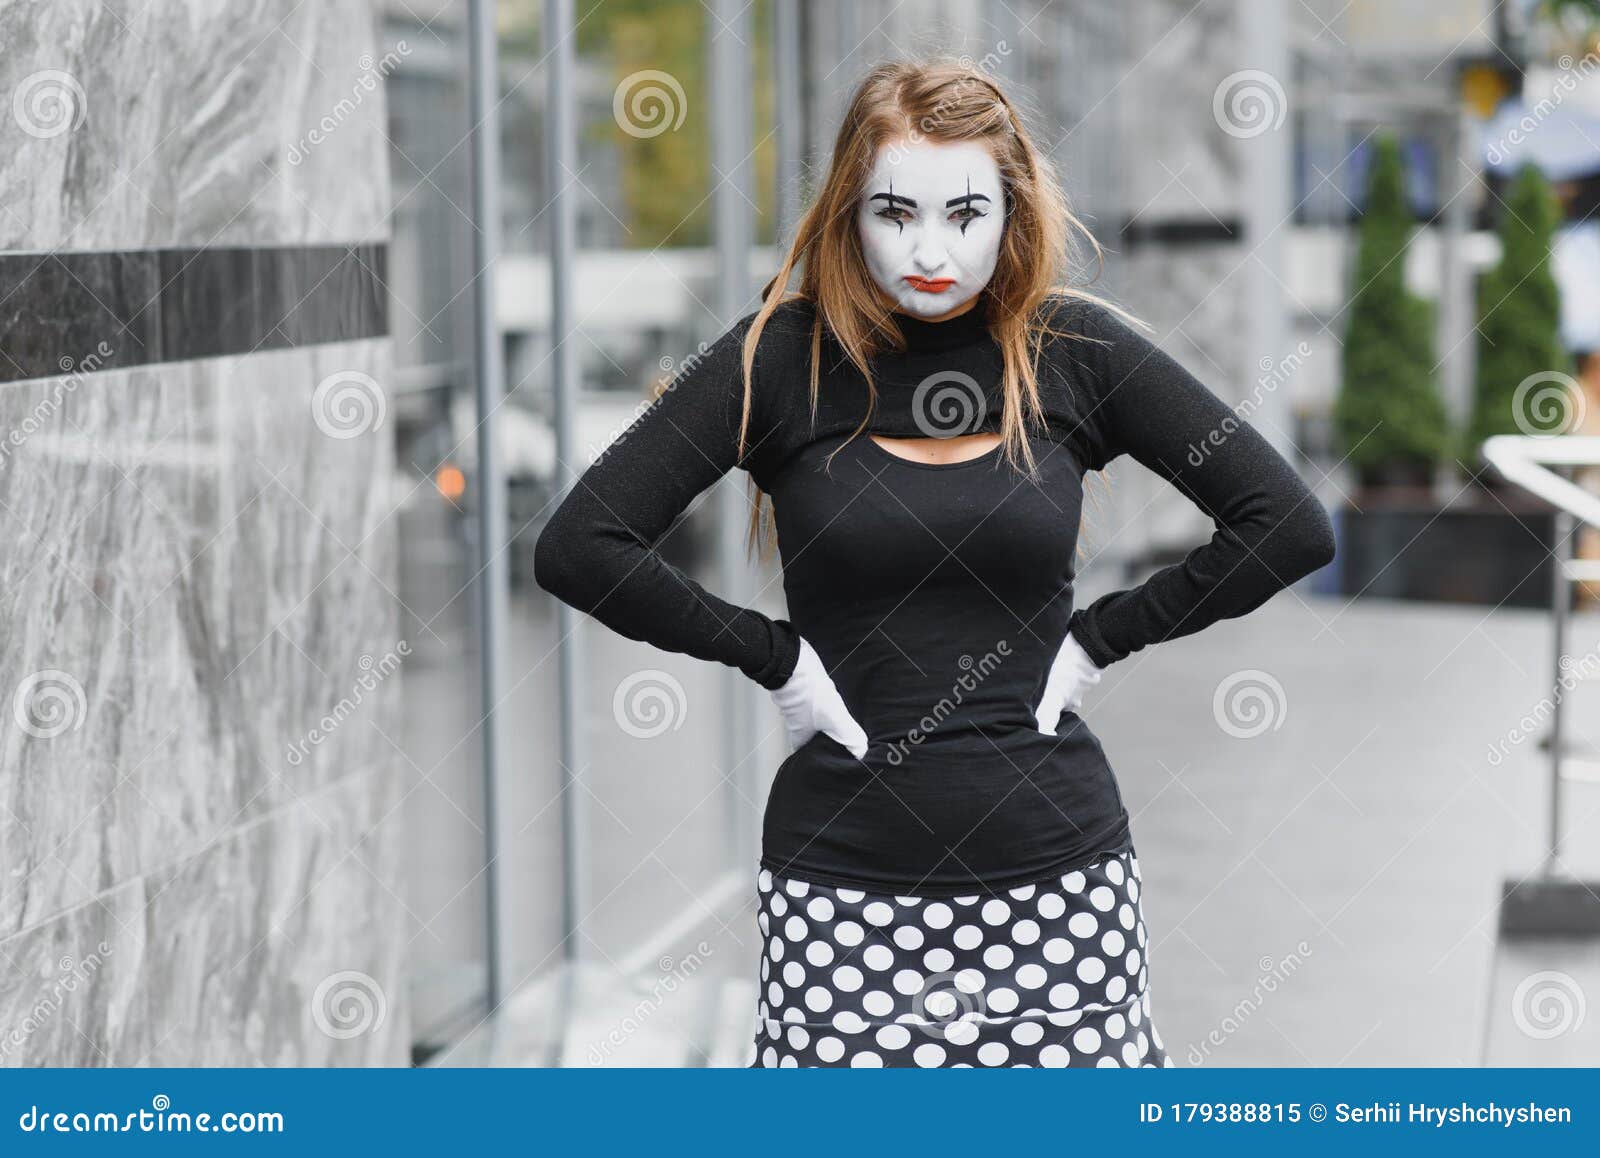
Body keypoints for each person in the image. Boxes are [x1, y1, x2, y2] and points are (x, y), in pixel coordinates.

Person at [535, 59, 1335, 1068]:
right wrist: (775, 660)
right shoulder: (779, 359)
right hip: (839, 889)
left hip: (1060, 886)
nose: (928, 249)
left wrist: (1100, 638)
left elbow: (1286, 523)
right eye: (894, 212)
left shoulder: (1072, 350)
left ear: (1012, 215)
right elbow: (582, 543)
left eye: (964, 215)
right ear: (848, 212)